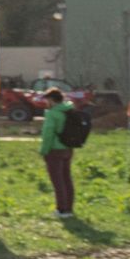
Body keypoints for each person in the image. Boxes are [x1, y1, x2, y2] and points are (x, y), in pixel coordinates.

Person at [38, 89, 80, 217]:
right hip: (68, 148)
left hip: (54, 150)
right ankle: (69, 208)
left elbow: (48, 134)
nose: (46, 103)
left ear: (51, 100)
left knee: (58, 181)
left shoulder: (52, 113)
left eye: (47, 100)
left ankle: (61, 209)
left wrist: (44, 150)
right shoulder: (69, 110)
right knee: (67, 179)